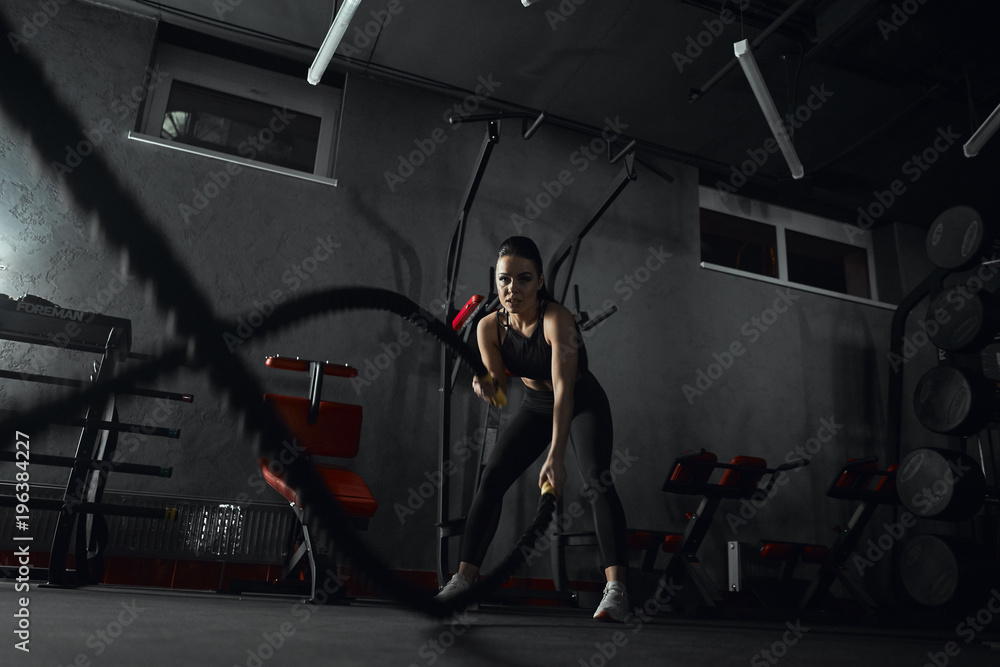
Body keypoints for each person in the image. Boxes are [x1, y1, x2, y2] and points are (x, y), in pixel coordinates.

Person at [437, 236, 630, 622]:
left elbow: (563, 392)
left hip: (580, 401)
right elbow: (498, 386)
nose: (513, 289)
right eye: (505, 280)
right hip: (534, 405)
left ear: (540, 281)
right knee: (491, 481)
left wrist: (555, 457)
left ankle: (617, 591)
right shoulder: (489, 327)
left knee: (595, 479)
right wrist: (486, 385)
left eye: (524, 279)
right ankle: (463, 581)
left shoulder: (557, 319)